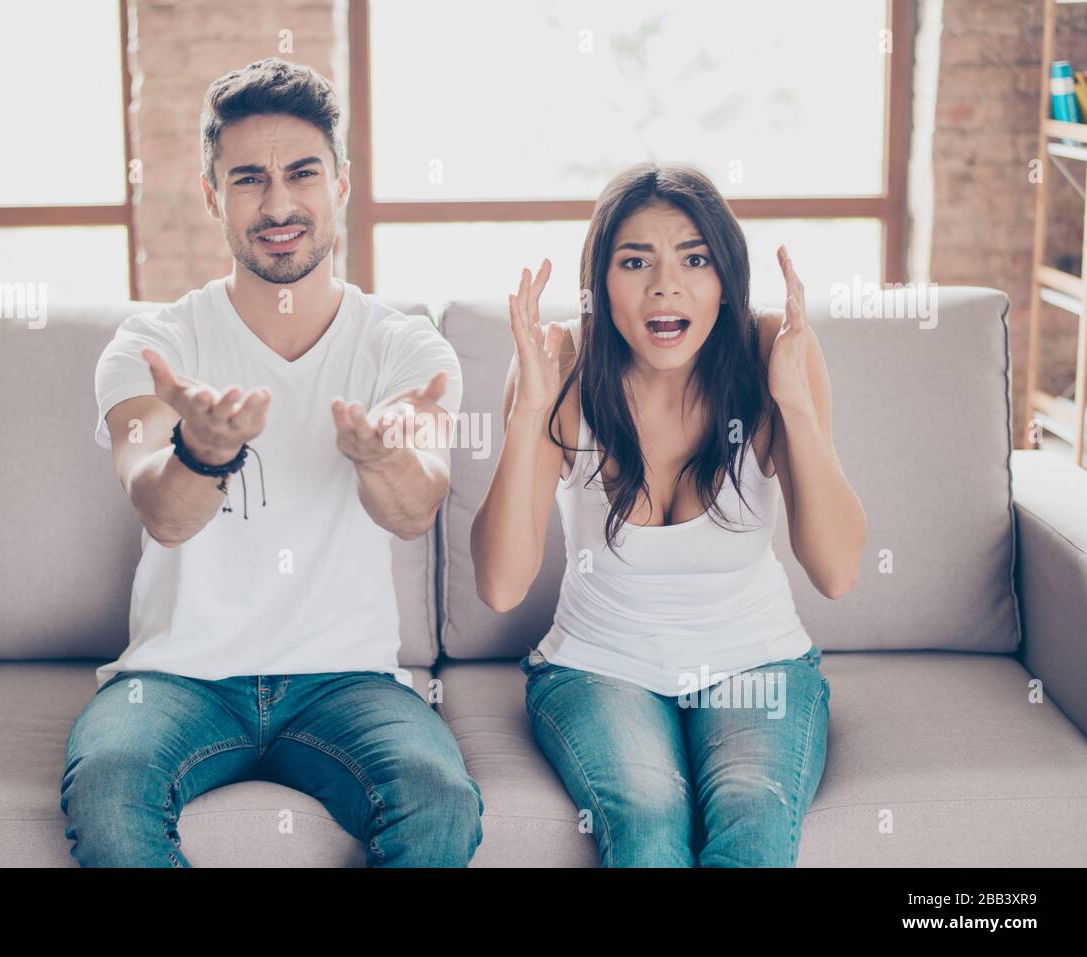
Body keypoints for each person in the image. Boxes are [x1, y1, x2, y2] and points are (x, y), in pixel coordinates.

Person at [61, 58, 483, 867]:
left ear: (342, 183)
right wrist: (202, 452)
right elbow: (161, 510)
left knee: (440, 802)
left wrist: (379, 457)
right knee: (109, 793)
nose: (279, 204)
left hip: (345, 680)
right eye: (249, 179)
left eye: (302, 174)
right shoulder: (154, 347)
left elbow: (415, 508)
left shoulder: (405, 346)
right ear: (212, 195)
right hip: (180, 678)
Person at [470, 162, 866, 866]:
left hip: (757, 660)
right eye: (635, 261)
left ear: (726, 279)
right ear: (600, 283)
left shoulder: (774, 350)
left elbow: (836, 572)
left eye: (695, 259)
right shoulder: (560, 363)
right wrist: (529, 411)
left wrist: (793, 402)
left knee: (753, 817)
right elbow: (501, 586)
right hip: (599, 666)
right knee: (649, 823)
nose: (665, 285)